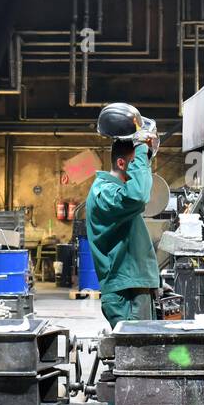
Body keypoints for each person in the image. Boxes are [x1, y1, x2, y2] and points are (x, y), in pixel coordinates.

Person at [85, 102, 161, 328]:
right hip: (124, 294)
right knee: (137, 360)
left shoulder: (116, 193)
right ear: (121, 163)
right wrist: (140, 147)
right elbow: (138, 196)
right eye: (136, 162)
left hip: (134, 288)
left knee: (144, 358)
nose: (142, 166)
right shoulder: (104, 193)